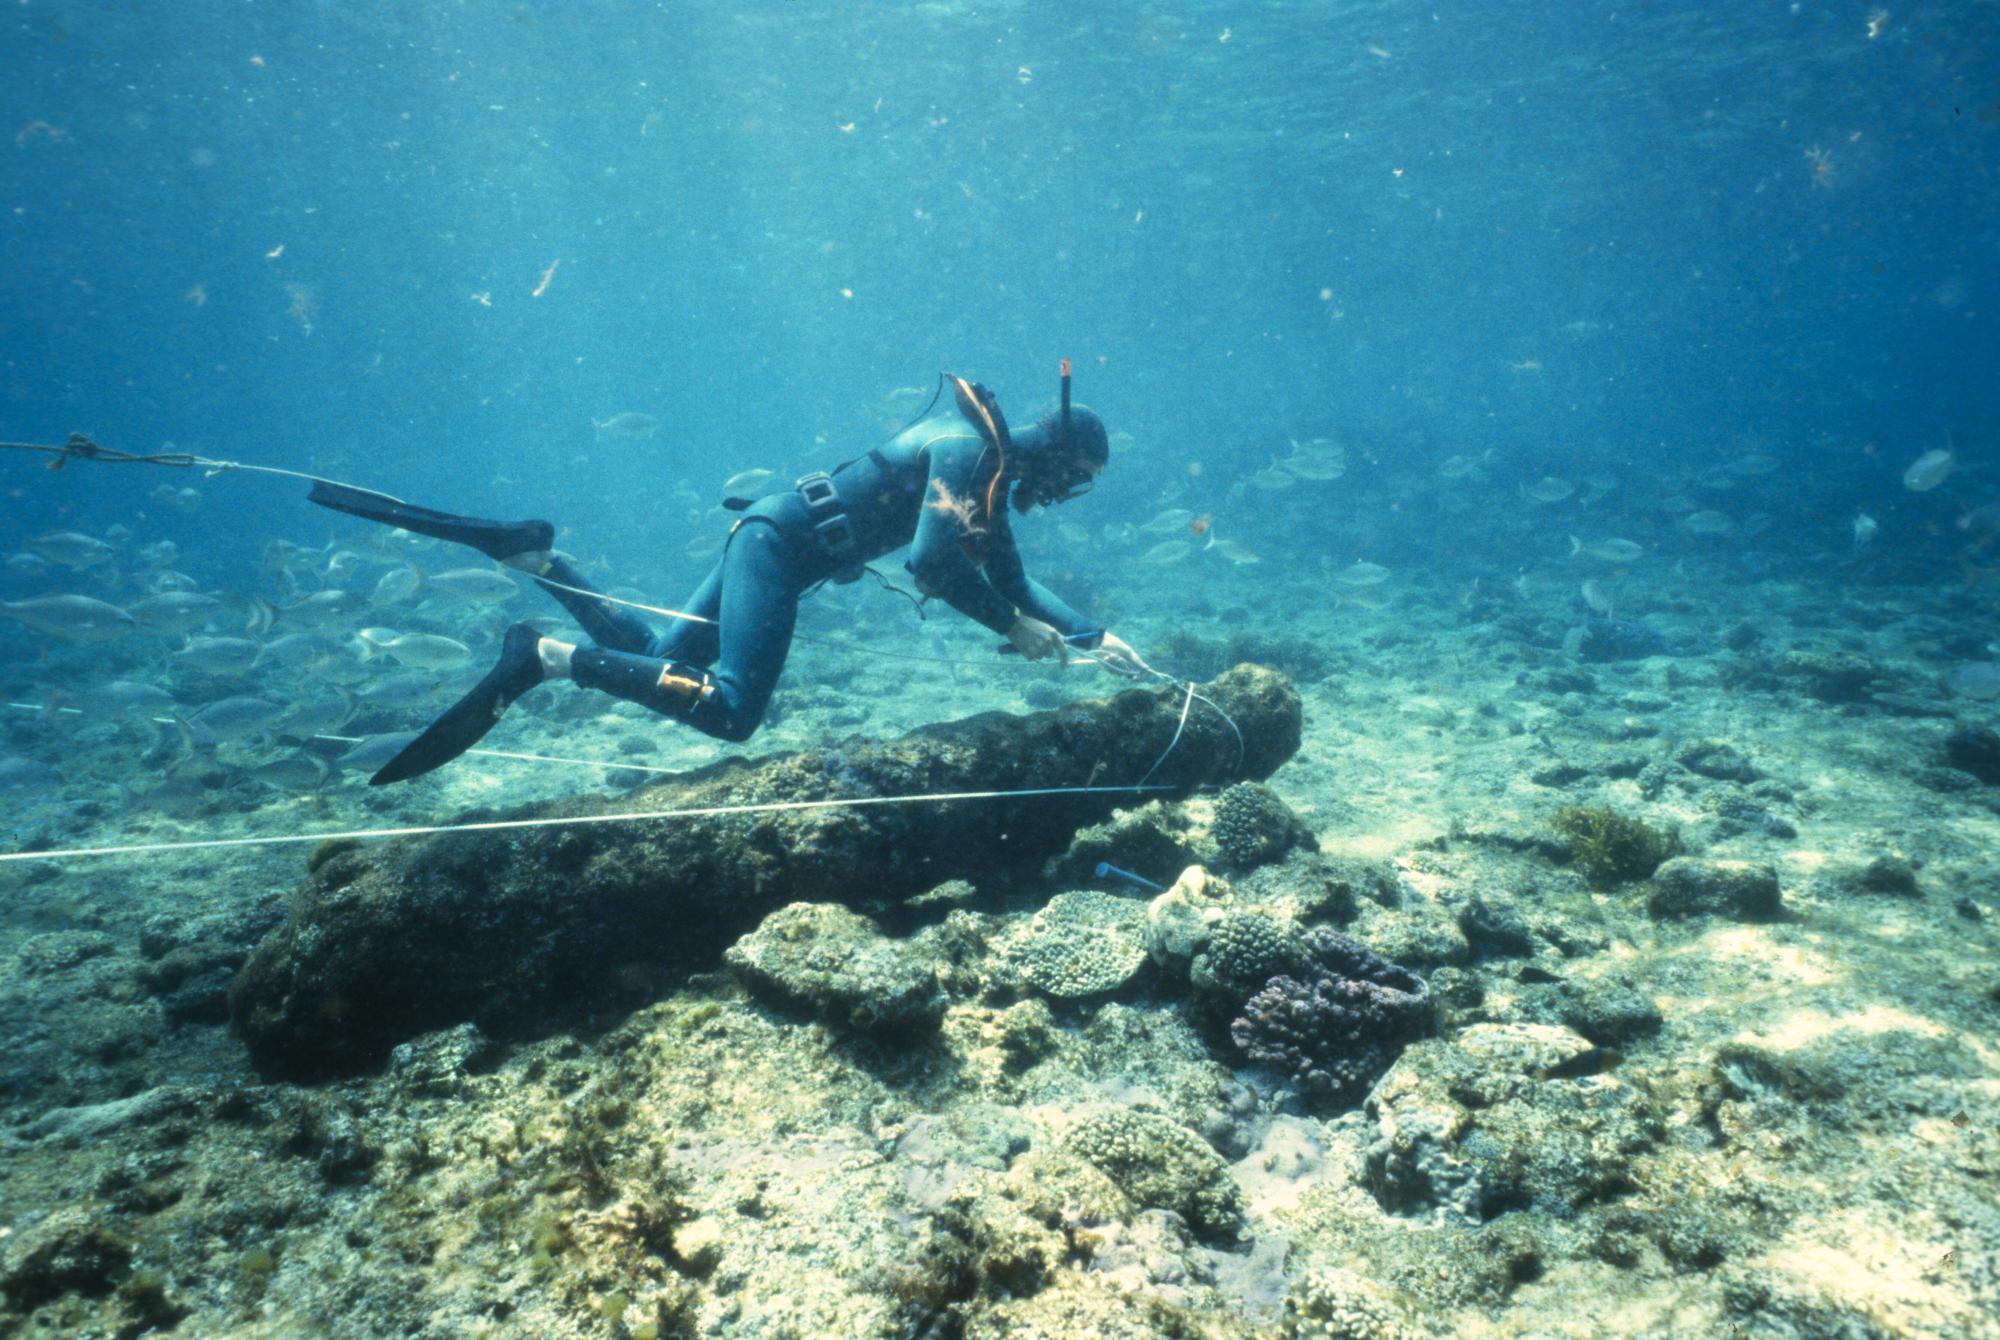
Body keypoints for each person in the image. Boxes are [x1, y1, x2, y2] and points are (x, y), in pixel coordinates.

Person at [310, 372, 1151, 784]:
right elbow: (933, 561)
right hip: (778, 548)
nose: (1061, 496)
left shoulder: (988, 474)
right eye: (1072, 479)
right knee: (731, 707)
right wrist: (1009, 628)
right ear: (1055, 450)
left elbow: (1014, 580)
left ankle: (535, 558)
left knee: (656, 652)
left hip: (775, 534)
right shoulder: (970, 455)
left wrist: (1095, 638)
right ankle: (541, 657)